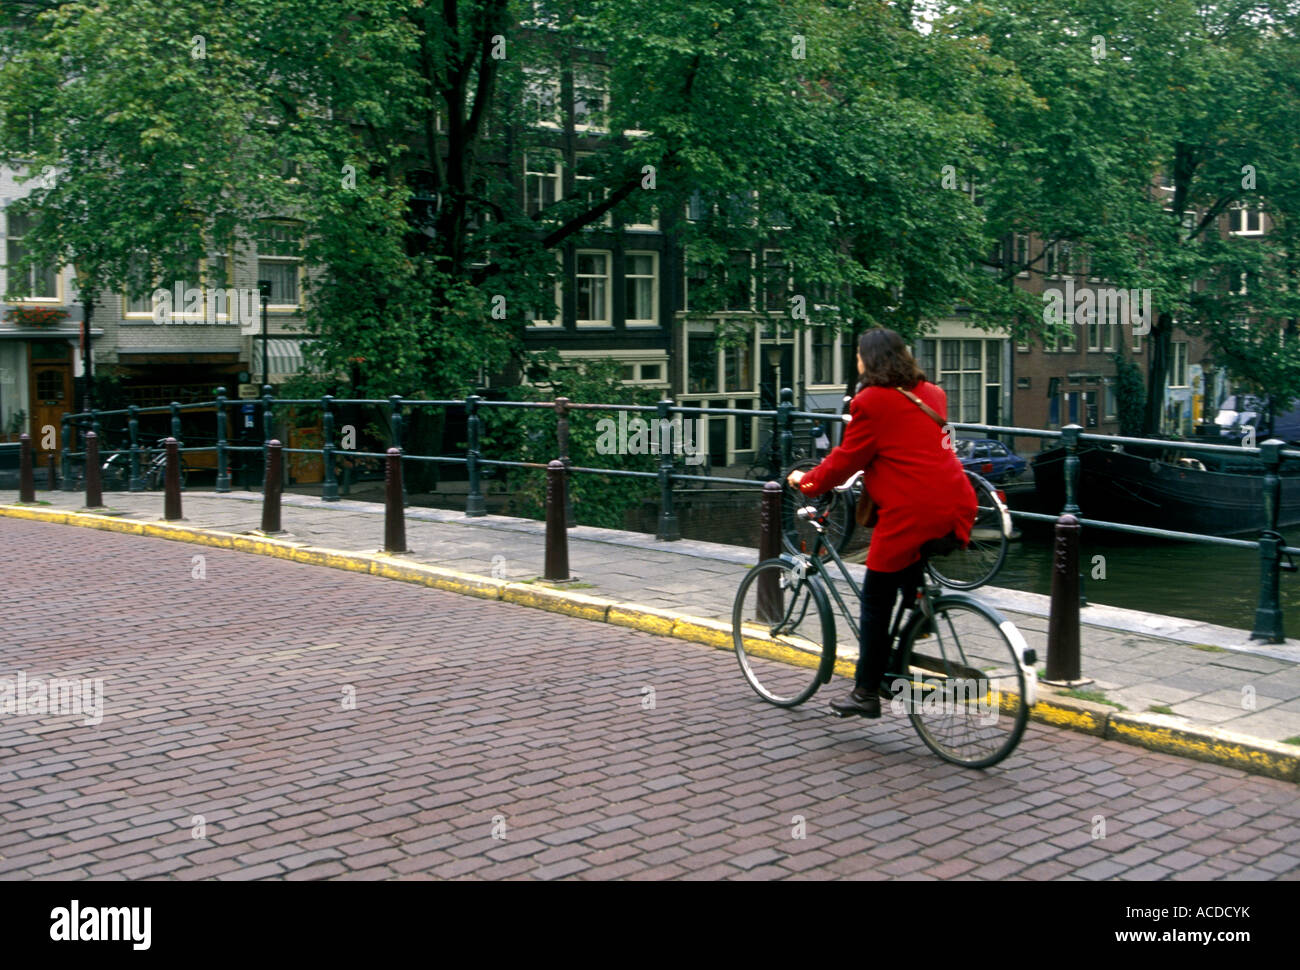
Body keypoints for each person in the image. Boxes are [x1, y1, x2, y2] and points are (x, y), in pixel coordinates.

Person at [787, 328, 977, 719]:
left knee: (875, 599)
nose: (856, 362)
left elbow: (844, 460)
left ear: (868, 360)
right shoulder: (932, 393)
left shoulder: (870, 401)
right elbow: (917, 447)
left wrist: (805, 482)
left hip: (913, 511)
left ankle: (866, 692)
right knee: (906, 571)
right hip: (957, 502)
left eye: (858, 355)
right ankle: (915, 625)